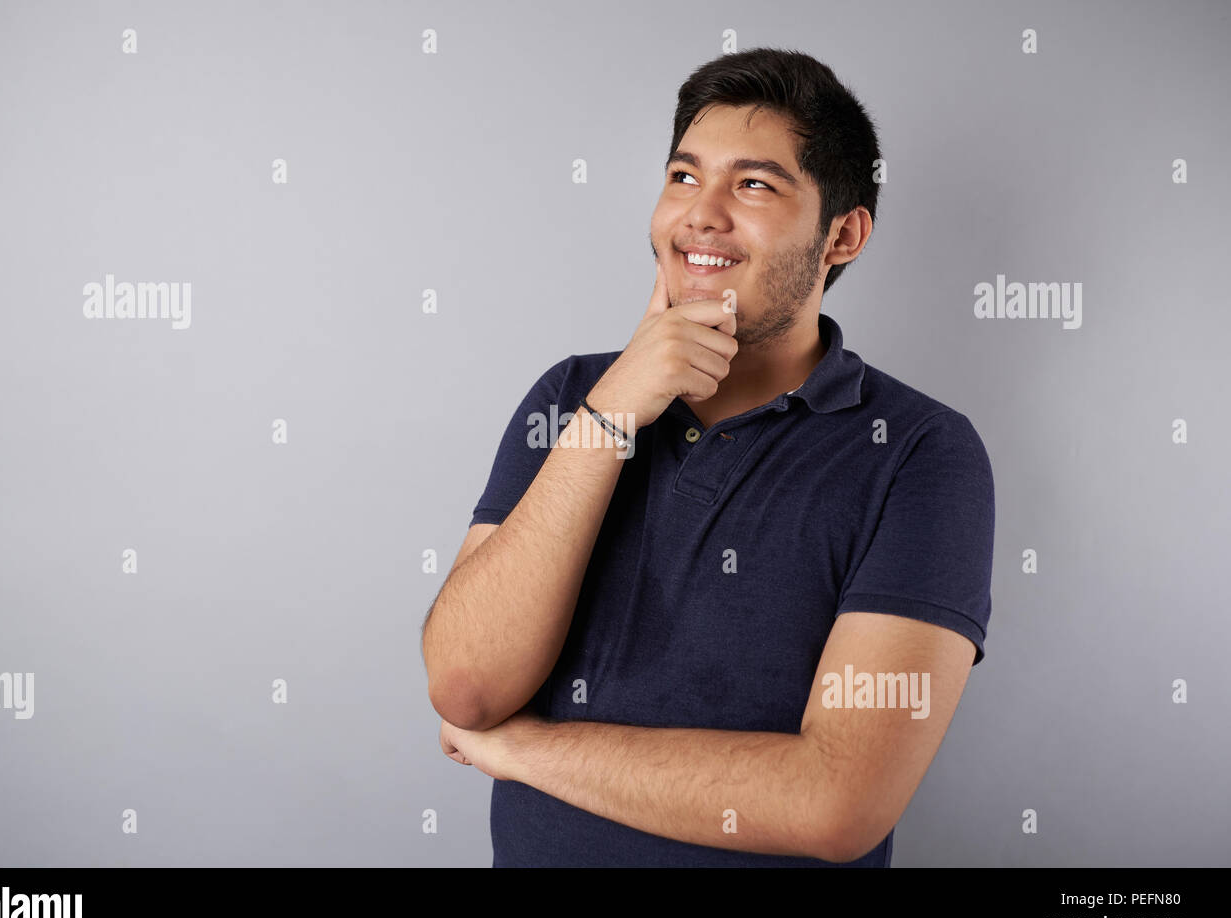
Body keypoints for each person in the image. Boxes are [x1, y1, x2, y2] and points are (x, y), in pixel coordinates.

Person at [422, 47, 995, 866]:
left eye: (754, 184)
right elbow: (467, 687)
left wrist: (520, 752)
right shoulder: (571, 397)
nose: (701, 215)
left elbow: (835, 802)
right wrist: (614, 409)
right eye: (684, 177)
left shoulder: (921, 453)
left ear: (843, 234)